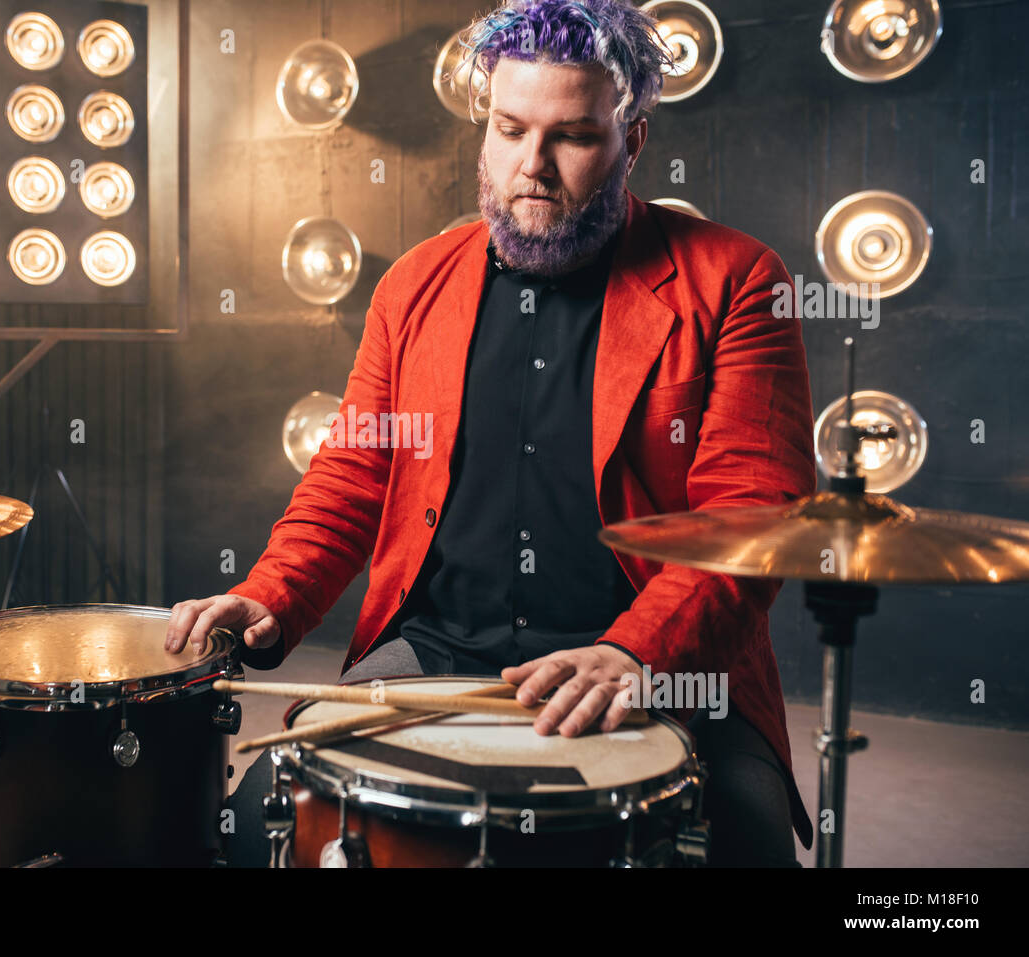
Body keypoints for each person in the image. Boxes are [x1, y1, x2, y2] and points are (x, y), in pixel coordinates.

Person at [169, 0, 816, 866]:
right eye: (510, 129)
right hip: (437, 651)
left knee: (744, 840)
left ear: (635, 142)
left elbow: (753, 513)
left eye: (573, 137)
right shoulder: (413, 285)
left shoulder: (737, 279)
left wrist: (637, 650)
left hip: (657, 659)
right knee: (259, 823)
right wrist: (270, 594)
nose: (532, 166)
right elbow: (353, 477)